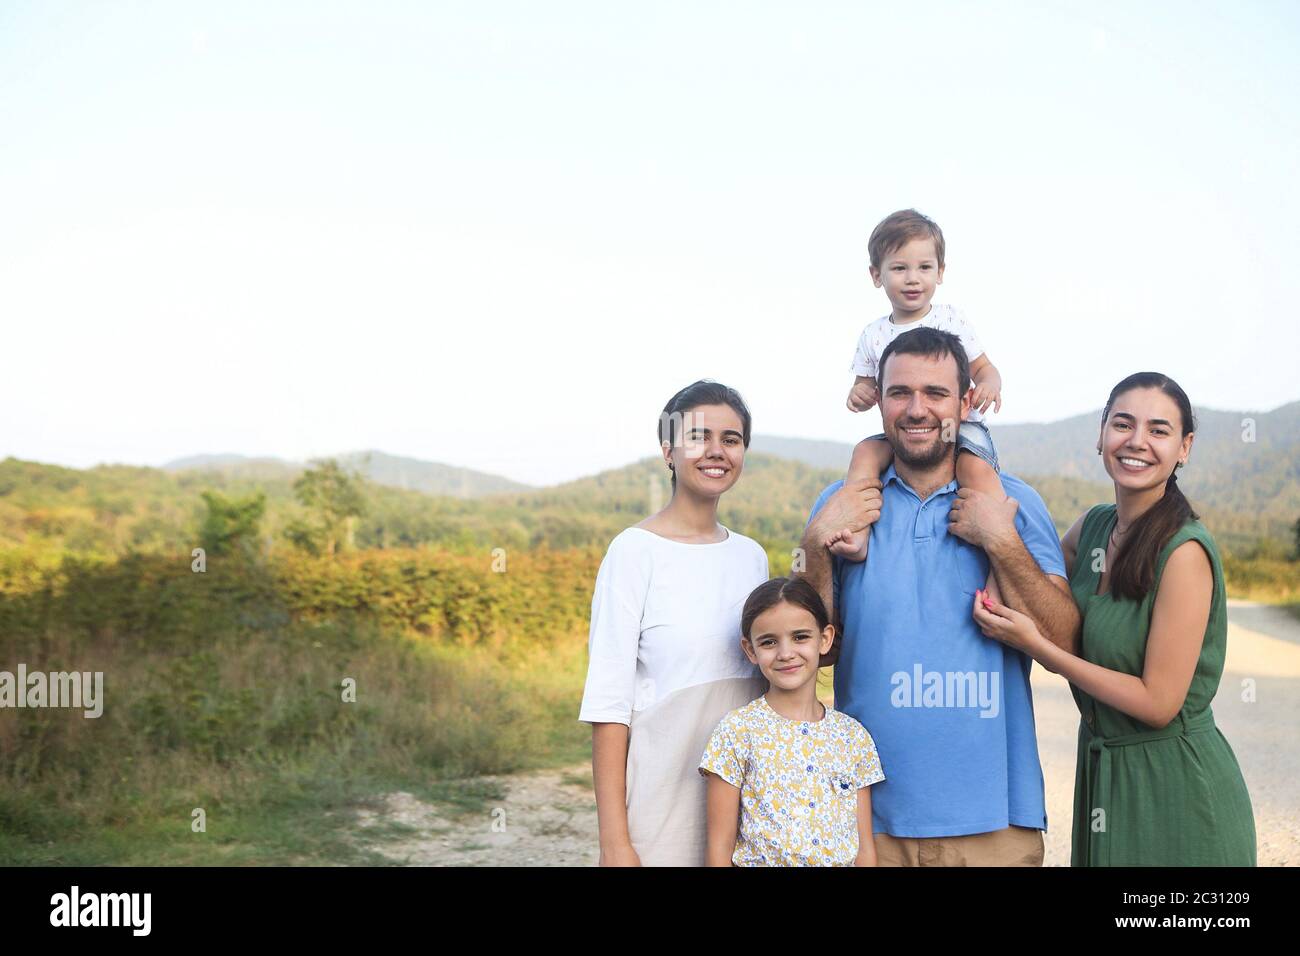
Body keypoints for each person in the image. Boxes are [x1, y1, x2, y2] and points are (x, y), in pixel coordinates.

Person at [799, 326, 1081, 866]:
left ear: (966, 402)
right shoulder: (843, 505)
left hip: (994, 822)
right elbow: (823, 651)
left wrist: (1000, 538)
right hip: (865, 821)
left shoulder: (1014, 501)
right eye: (899, 392)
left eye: (935, 393)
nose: (916, 409)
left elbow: (1065, 640)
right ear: (878, 402)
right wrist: (815, 549)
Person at [972, 372, 1257, 866]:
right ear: (1101, 434)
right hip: (1105, 769)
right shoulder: (1094, 526)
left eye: (1159, 430)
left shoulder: (1183, 550)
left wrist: (1045, 651)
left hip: (1176, 785)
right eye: (1123, 424)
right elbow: (1029, 588)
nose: (1137, 442)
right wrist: (998, 537)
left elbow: (1157, 703)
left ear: (1184, 447)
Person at [578, 380, 769, 866]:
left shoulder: (752, 558)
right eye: (699, 436)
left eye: (731, 439)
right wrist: (614, 843)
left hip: (749, 808)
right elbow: (609, 703)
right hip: (660, 809)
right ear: (668, 451)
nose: (716, 451)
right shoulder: (633, 552)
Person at [834, 209, 1006, 603]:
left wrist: (990, 384)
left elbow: (984, 367)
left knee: (974, 466)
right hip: (905, 431)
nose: (913, 278)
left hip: (958, 427)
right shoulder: (874, 335)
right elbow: (864, 383)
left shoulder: (952, 321)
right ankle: (857, 529)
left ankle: (999, 532)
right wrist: (859, 394)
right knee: (864, 452)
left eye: (924, 267)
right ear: (876, 275)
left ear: (940, 272)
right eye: (899, 268)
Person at [698, 577, 884, 867]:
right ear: (750, 650)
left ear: (825, 639)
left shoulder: (853, 737)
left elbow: (864, 851)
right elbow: (718, 851)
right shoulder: (737, 732)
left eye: (800, 637)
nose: (786, 653)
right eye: (769, 642)